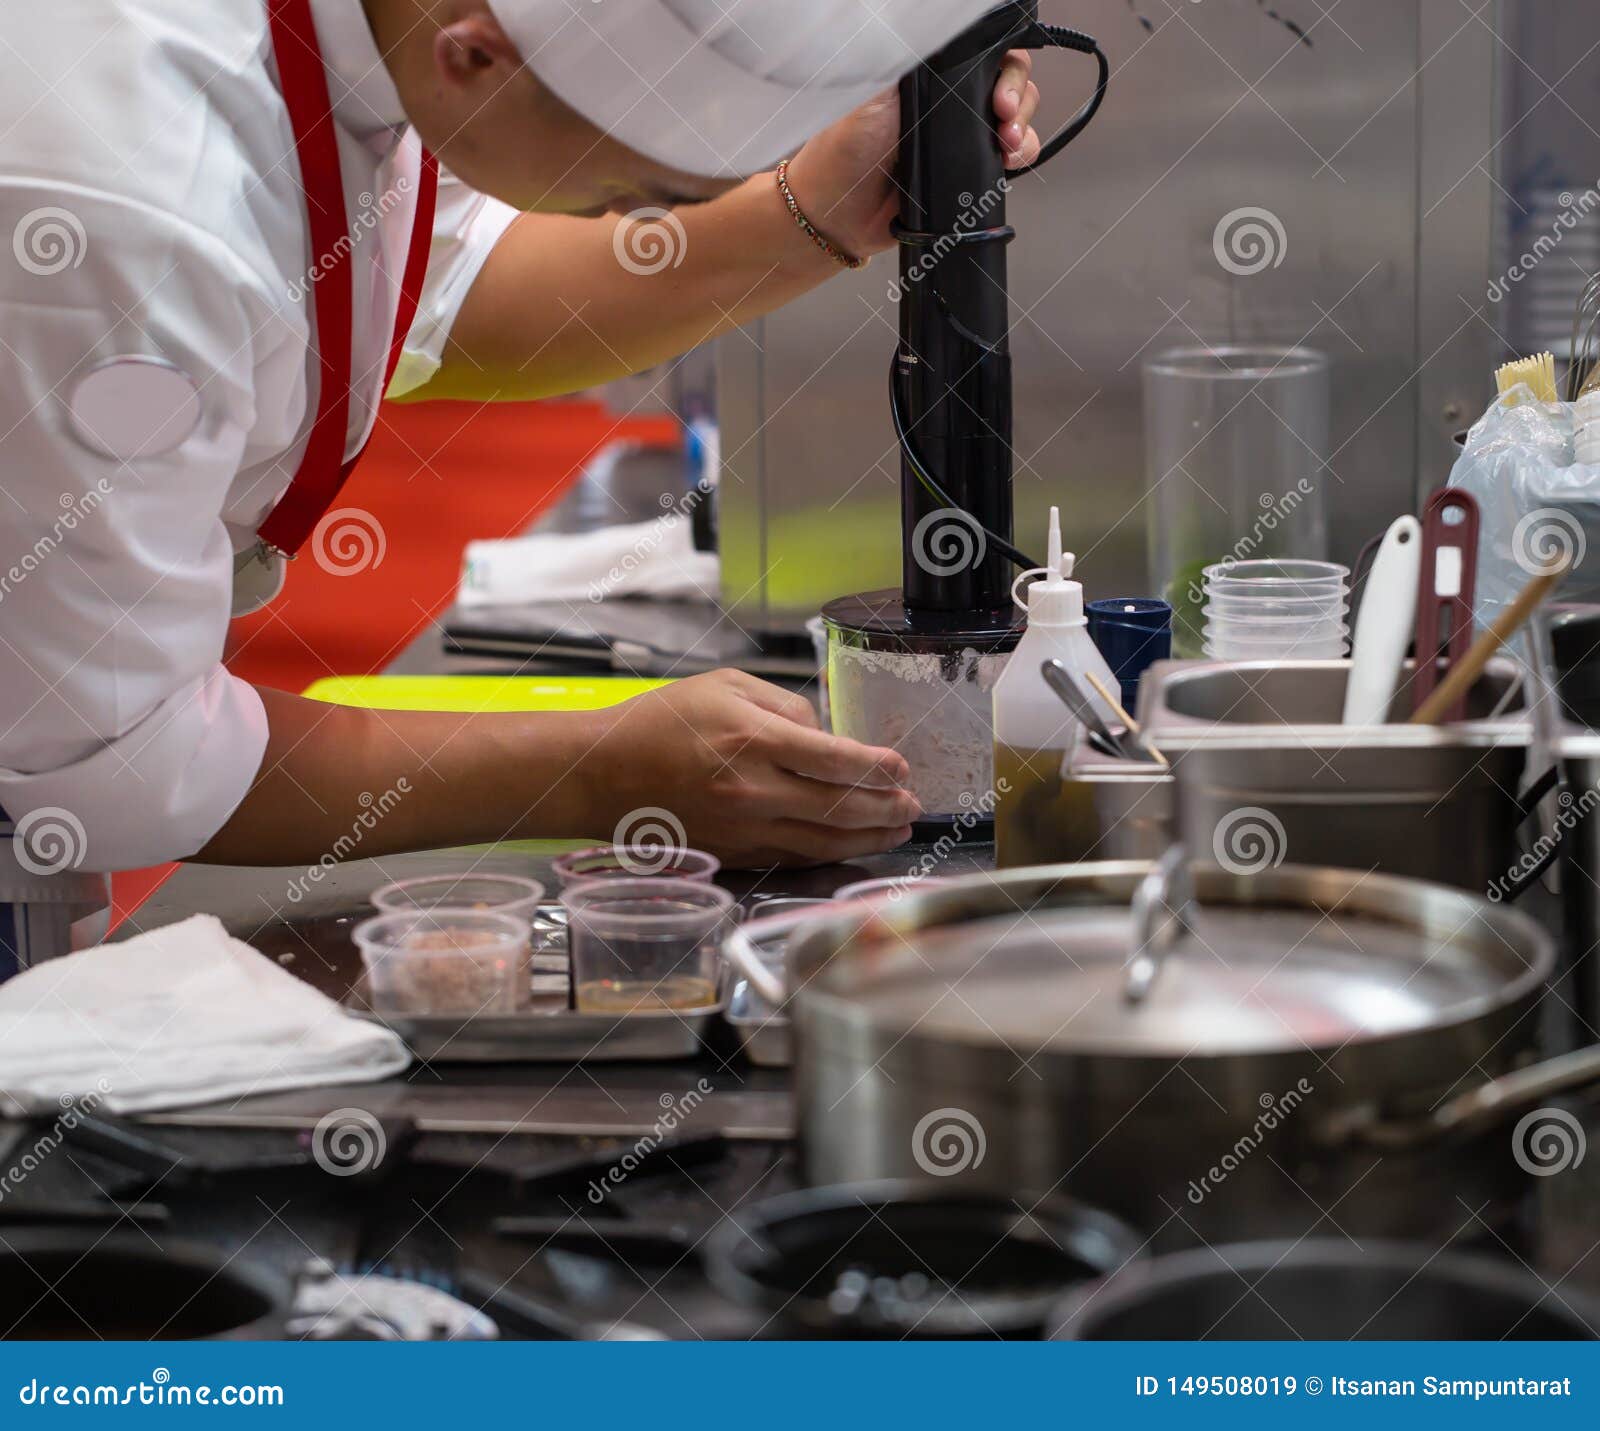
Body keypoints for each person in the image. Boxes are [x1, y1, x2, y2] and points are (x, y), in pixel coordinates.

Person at [0, 0, 1047, 958]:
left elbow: (444, 291)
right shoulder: (129, 207)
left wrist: (815, 210)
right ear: (473, 54)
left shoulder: (374, 45)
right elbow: (117, 762)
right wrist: (599, 769)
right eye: (629, 198)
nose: (640, 223)